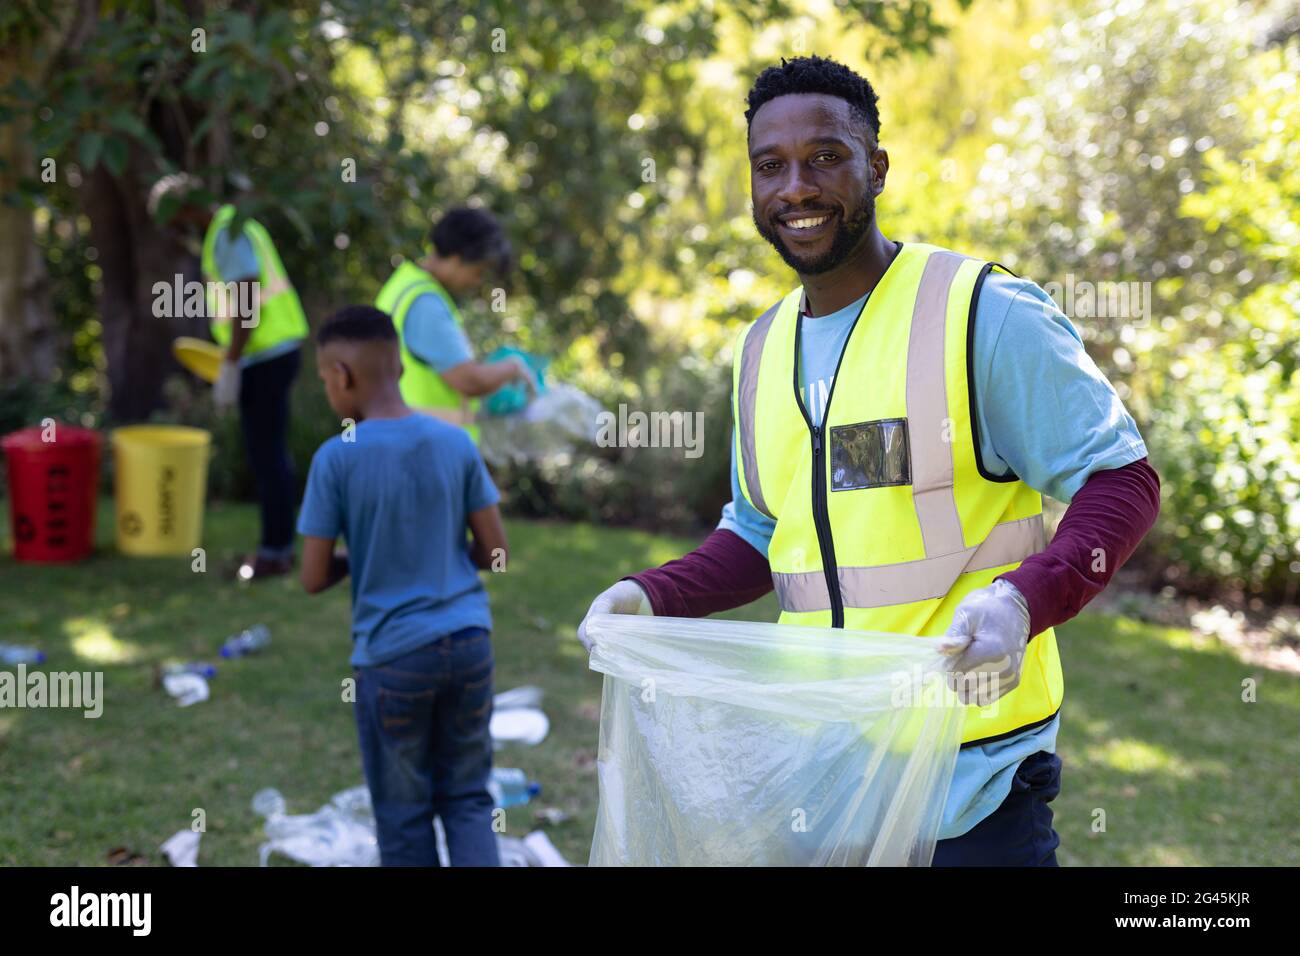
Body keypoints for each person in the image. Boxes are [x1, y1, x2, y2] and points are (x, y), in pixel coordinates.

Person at [576, 56, 1163, 867]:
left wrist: (1023, 603)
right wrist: (651, 595)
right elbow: (761, 533)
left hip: (974, 775)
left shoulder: (979, 313)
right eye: (770, 165)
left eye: (825, 157)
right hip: (826, 775)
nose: (797, 188)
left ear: (876, 167)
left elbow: (1122, 479)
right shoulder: (760, 350)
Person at [297, 304, 508, 867]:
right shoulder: (455, 443)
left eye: (324, 378)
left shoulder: (334, 458)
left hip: (393, 659)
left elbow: (313, 577)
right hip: (468, 643)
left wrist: (367, 556)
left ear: (342, 375)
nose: (327, 388)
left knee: (402, 812)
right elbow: (496, 551)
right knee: (467, 798)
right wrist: (439, 553)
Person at [149, 174, 308, 581]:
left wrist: (232, 362)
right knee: (268, 452)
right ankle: (278, 547)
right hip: (271, 352)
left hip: (264, 356)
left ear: (183, 209)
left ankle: (276, 553)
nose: (170, 229)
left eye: (170, 218)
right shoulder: (235, 225)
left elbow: (247, 298)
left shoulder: (226, 233)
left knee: (265, 454)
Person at [374, 206, 534, 442]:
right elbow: (469, 380)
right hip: (423, 451)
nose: (477, 281)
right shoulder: (426, 305)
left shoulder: (405, 286)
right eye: (478, 271)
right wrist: (512, 368)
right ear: (457, 260)